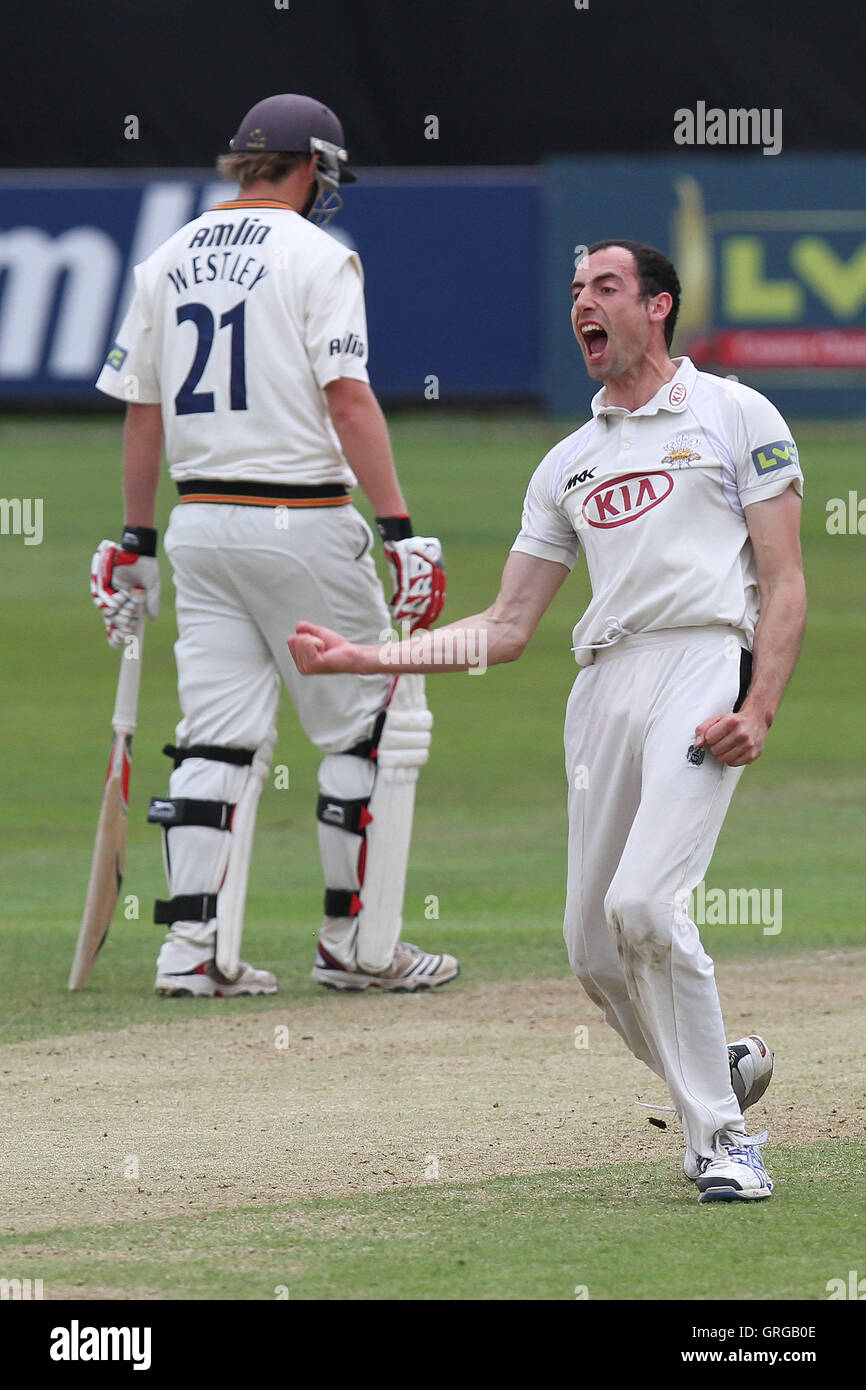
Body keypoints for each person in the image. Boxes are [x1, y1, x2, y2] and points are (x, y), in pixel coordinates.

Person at [288, 240, 807, 1203]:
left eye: (605, 288)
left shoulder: (737, 413)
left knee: (646, 905)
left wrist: (758, 706)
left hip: (699, 663)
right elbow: (509, 626)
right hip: (602, 683)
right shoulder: (569, 462)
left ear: (657, 306)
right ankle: (714, 1073)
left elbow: (783, 581)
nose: (583, 305)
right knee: (592, 948)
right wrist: (370, 655)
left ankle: (725, 1141)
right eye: (575, 292)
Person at [90, 93, 459, 998]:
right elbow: (348, 398)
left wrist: (136, 538)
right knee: (373, 723)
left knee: (214, 739)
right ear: (316, 170)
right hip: (301, 519)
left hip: (199, 526)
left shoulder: (166, 257)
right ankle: (357, 946)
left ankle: (190, 954)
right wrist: (402, 529)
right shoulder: (321, 256)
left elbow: (144, 411)